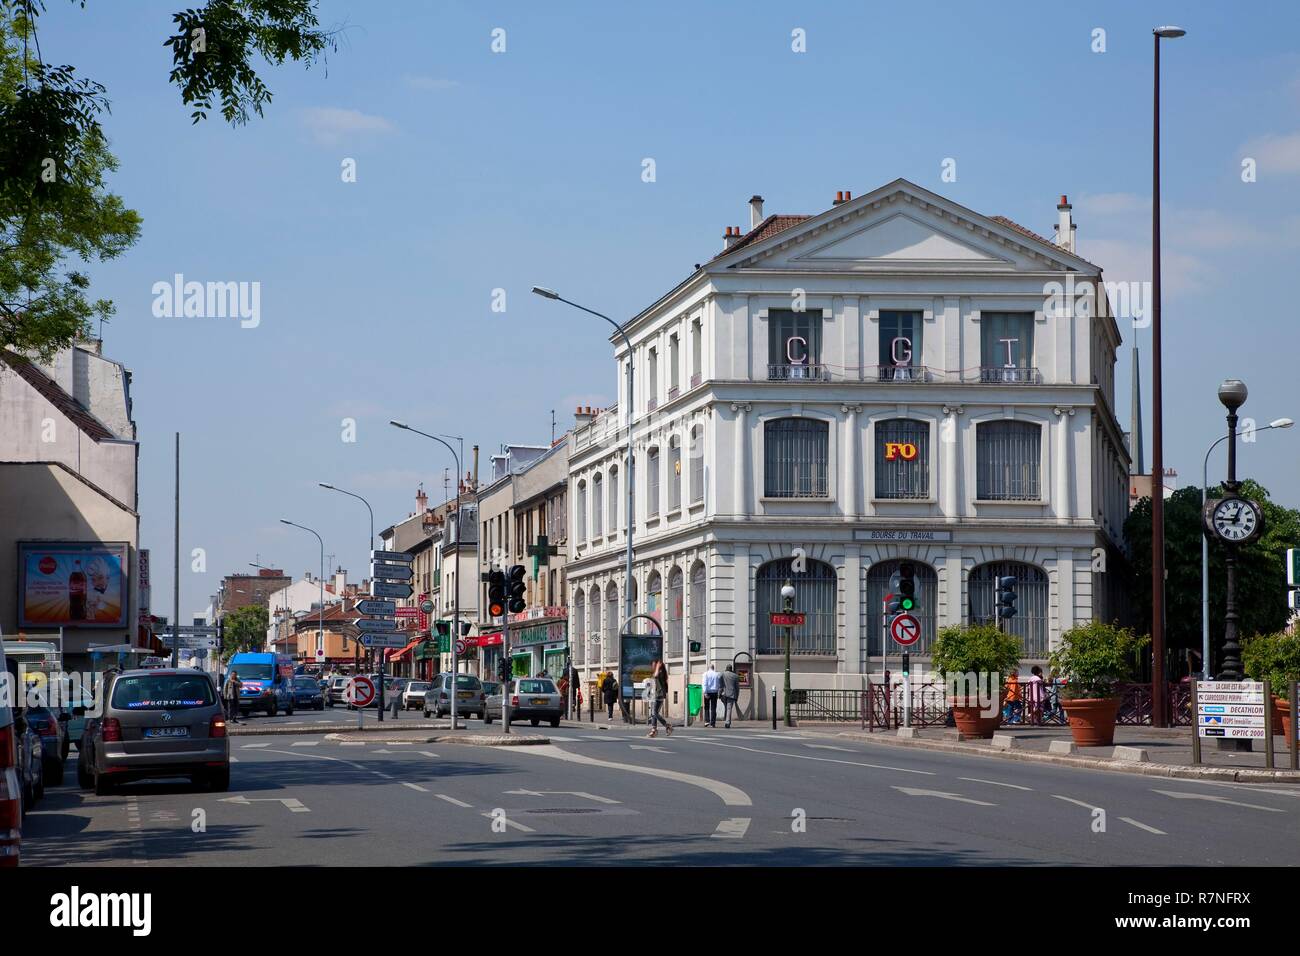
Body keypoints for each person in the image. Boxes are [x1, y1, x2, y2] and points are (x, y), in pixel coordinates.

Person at [644, 660, 672, 738]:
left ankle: (667, 725)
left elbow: (655, 676)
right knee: (653, 713)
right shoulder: (657, 672)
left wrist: (658, 667)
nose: (652, 666)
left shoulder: (660, 672)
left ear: (658, 666)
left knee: (654, 713)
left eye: (654, 665)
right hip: (655, 695)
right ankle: (654, 730)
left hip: (659, 695)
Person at [719, 664, 740, 729]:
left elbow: (720, 685)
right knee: (729, 708)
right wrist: (737, 697)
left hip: (724, 694)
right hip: (732, 694)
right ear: (731, 669)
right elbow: (737, 688)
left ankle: (727, 720)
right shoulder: (735, 676)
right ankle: (727, 722)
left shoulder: (722, 674)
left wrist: (719, 693)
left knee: (726, 708)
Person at [702, 661, 721, 727]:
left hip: (708, 692)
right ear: (713, 668)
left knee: (706, 707)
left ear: (708, 668)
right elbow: (718, 685)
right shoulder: (717, 674)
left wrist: (705, 692)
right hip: (714, 692)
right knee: (713, 708)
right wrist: (718, 692)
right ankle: (713, 723)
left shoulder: (705, 674)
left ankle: (707, 721)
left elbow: (704, 684)